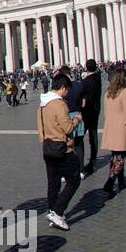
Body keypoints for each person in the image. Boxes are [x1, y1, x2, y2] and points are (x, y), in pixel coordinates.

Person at [36, 73, 79, 231]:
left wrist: (44, 142)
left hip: (47, 147)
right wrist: (77, 120)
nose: (67, 93)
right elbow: (67, 128)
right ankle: (58, 212)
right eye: (67, 90)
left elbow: (40, 128)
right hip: (62, 148)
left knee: (53, 183)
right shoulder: (59, 104)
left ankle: (51, 211)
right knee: (74, 180)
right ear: (63, 88)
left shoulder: (42, 104)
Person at [100, 69, 126, 197]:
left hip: (111, 128)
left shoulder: (108, 93)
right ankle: (110, 181)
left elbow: (105, 113)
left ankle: (121, 180)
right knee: (120, 158)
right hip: (122, 129)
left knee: (115, 156)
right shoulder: (124, 92)